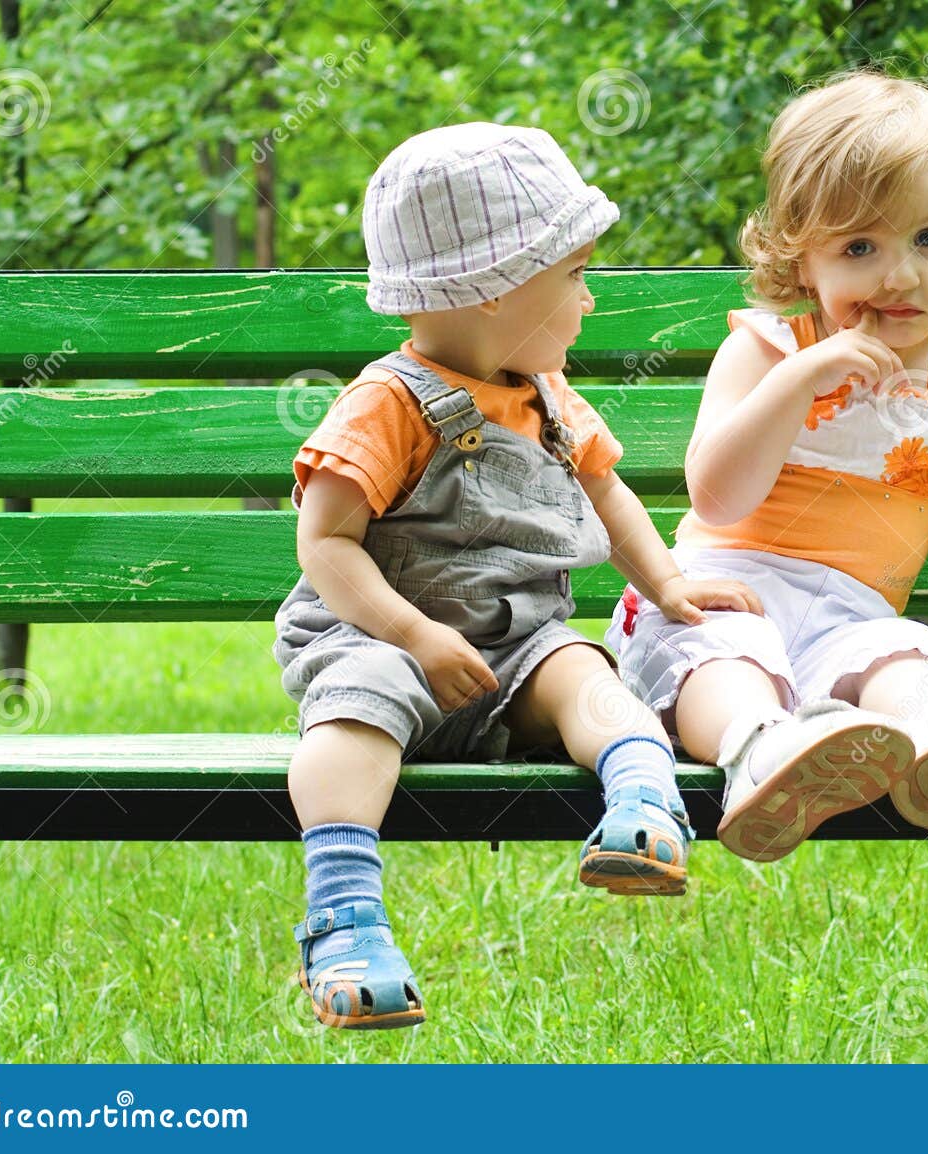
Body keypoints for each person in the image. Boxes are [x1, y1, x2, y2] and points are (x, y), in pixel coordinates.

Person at [273, 123, 760, 1030]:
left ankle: (643, 805)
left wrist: (668, 584)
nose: (589, 298)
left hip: (514, 647)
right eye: (575, 275)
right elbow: (325, 545)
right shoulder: (386, 403)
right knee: (352, 718)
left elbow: (607, 494)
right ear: (496, 285)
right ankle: (345, 914)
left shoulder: (547, 396)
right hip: (377, 638)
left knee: (586, 676)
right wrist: (414, 634)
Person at [607, 72, 928, 864]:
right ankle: (762, 752)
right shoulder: (767, 351)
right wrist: (800, 381)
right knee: (726, 661)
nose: (899, 276)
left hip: (851, 624)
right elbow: (717, 498)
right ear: (803, 259)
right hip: (718, 595)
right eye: (860, 247)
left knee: (904, 656)